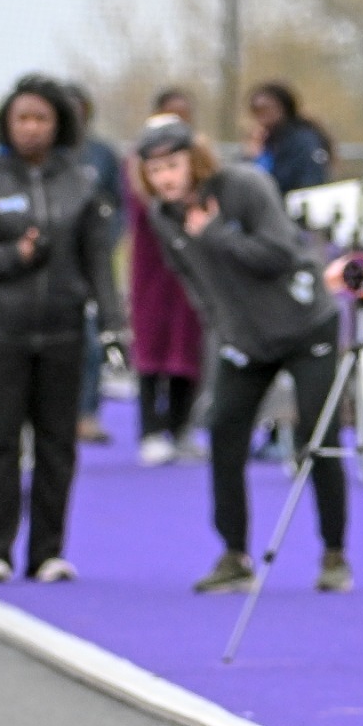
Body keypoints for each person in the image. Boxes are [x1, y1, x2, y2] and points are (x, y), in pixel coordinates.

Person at [133, 116, 351, 595]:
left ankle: (334, 555)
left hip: (305, 324)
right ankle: (234, 556)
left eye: (173, 165)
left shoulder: (245, 185)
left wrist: (216, 234)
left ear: (194, 160)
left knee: (318, 438)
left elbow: (279, 255)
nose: (165, 178)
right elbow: (189, 277)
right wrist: (222, 325)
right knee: (224, 434)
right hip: (244, 340)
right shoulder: (161, 215)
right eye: (155, 170)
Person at [0, 75, 125, 585]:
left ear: (58, 125)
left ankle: (47, 552)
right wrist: (13, 256)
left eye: (41, 118)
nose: (30, 128)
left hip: (63, 333)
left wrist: (113, 325)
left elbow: (99, 262)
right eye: (21, 118)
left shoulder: (82, 185)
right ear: (7, 123)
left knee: (57, 445)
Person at [124, 89, 205, 466]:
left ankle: (181, 427)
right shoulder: (139, 166)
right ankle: (150, 430)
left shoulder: (197, 164)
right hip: (151, 271)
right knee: (151, 350)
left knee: (187, 349)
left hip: (190, 271)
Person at [65, 81, 124, 447]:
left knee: (91, 341)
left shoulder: (102, 154)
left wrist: (105, 242)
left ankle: (86, 414)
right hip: (52, 266)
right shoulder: (48, 155)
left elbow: (118, 205)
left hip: (91, 265)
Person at [246, 81, 334, 195]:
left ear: (283, 108)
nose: (260, 115)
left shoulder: (303, 140)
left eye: (265, 108)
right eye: (256, 110)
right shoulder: (264, 140)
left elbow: (311, 180)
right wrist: (252, 156)